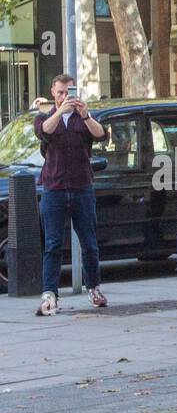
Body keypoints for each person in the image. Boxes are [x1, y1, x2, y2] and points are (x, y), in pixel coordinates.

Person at [33, 74, 108, 316]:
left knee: (89, 243)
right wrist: (59, 111)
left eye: (69, 92)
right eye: (61, 93)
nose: (65, 97)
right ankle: (50, 293)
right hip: (53, 188)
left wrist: (85, 114)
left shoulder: (82, 118)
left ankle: (94, 288)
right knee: (53, 244)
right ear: (53, 93)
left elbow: (101, 135)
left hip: (81, 187)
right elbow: (44, 131)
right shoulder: (44, 118)